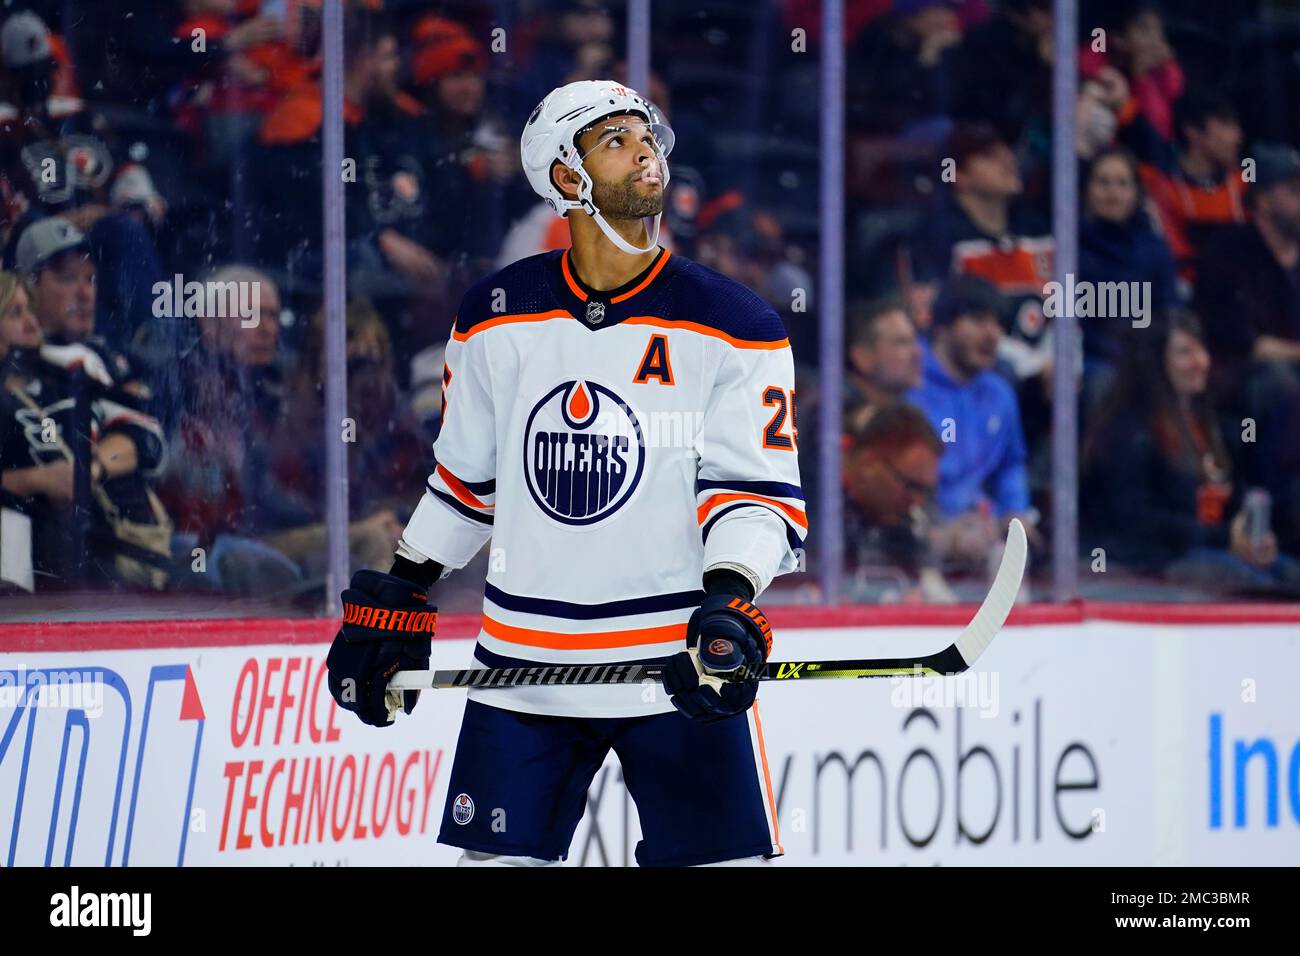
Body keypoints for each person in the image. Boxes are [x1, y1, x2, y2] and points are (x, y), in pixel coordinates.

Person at [327, 80, 803, 867]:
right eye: (615, 140)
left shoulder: (734, 322)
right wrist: (403, 590)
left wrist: (731, 597)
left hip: (674, 663)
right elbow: (465, 483)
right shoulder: (496, 314)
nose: (645, 150)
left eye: (646, 135)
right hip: (525, 666)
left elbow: (755, 495)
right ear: (564, 178)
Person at [1081, 313, 1300, 593]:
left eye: (1202, 349)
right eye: (1186, 352)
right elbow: (1135, 521)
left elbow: (1233, 498)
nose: (1202, 362)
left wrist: (1252, 538)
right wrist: (1223, 539)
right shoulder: (1129, 431)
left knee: (1291, 577)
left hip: (1208, 549)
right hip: (1153, 563)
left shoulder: (1212, 423)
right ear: (1156, 361)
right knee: (1261, 589)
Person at [906, 275, 1035, 569]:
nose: (992, 335)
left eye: (997, 323)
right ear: (942, 326)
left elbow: (1010, 464)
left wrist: (1016, 511)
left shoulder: (999, 393)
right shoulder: (908, 382)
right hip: (917, 539)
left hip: (980, 536)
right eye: (978, 321)